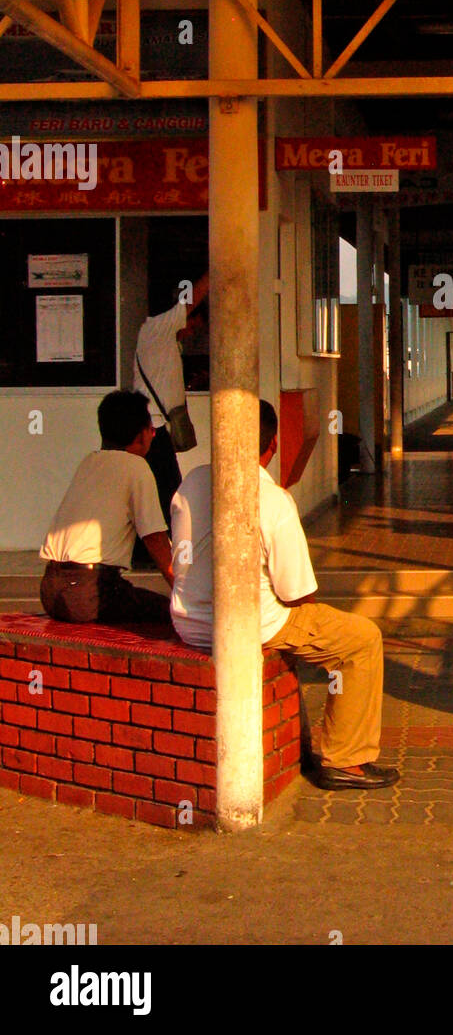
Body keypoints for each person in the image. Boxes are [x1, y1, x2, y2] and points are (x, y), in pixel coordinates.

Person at [170, 400, 400, 792]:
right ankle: (346, 759)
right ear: (272, 444)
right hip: (251, 627)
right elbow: (296, 594)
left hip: (187, 622)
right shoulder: (274, 500)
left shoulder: (191, 481)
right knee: (361, 641)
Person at [38, 390, 173, 624]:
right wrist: (183, 593)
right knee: (170, 614)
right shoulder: (136, 467)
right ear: (141, 435)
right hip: (89, 592)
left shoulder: (89, 461)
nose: (153, 435)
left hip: (50, 588)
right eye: (151, 429)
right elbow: (155, 539)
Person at [133, 272, 209, 532]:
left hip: (156, 428)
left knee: (164, 490)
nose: (190, 333)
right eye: (192, 325)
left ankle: (160, 547)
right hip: (150, 429)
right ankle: (161, 549)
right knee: (167, 491)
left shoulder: (165, 341)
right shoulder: (157, 328)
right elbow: (191, 300)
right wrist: (214, 270)